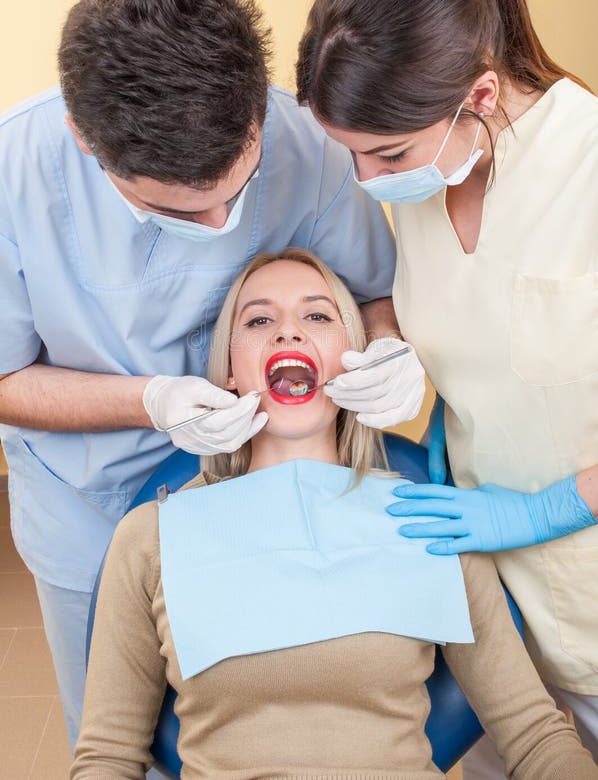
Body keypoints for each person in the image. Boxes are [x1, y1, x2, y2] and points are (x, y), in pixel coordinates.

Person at [0, 0, 426, 751]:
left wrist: (393, 349)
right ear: (84, 142)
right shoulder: (13, 177)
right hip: (86, 492)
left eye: (239, 188)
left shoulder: (303, 138)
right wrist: (150, 401)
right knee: (113, 722)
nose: (220, 224)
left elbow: (375, 292)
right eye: (177, 211)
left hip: (277, 476)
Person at [71, 248, 598, 780]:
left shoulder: (431, 517)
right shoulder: (153, 537)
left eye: (318, 316)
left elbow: (534, 735)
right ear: (229, 371)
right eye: (258, 320)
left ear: (358, 359)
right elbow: (107, 757)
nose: (288, 333)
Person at [295, 0, 598, 779]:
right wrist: (391, 348)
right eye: (349, 156)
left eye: (383, 154)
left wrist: (541, 512)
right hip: (498, 623)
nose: (369, 183)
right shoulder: (428, 176)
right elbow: (457, 323)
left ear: (482, 96)